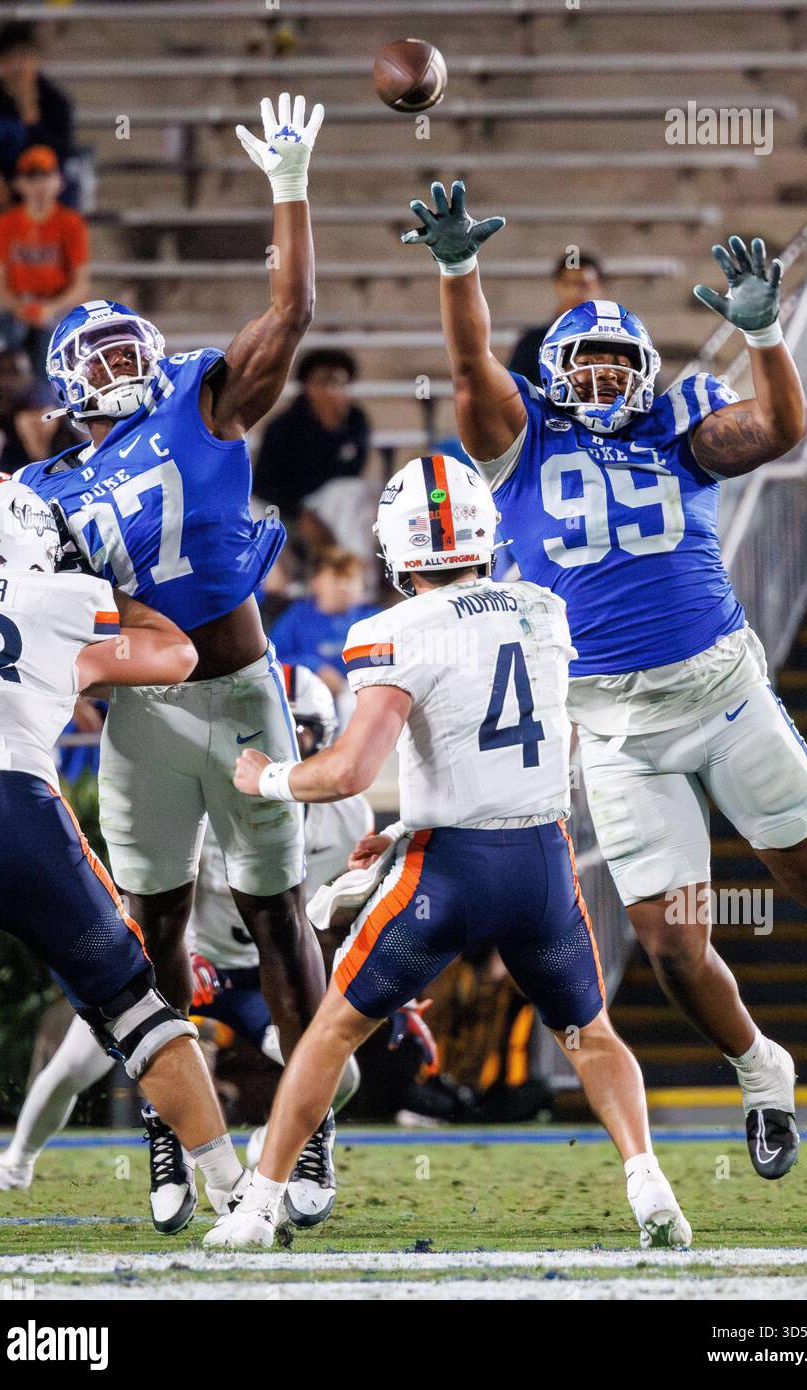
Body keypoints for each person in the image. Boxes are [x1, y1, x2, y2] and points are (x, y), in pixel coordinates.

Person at [399, 180, 807, 1179]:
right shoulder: (518, 441)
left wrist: (763, 336)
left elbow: (781, 431)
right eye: (585, 360)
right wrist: (457, 268)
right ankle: (761, 1069)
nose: (602, 376)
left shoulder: (682, 425)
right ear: (555, 370)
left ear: (644, 369)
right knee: (669, 951)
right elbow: (464, 363)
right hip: (615, 729)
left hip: (723, 698)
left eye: (619, 359)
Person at [204, 454, 691, 1251]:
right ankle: (651, 1189)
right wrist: (406, 825)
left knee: (328, 1031)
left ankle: (258, 1206)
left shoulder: (392, 630)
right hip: (538, 859)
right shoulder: (541, 607)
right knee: (589, 1032)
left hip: (451, 871)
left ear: (397, 548)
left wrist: (268, 777)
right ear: (483, 534)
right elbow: (528, 746)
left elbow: (348, 772)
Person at [17, 93, 333, 1226]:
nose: (112, 367)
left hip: (242, 692)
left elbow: (291, 310)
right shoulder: (41, 491)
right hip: (142, 723)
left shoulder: (202, 400)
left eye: (123, 348)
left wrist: (288, 190)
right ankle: (170, 1129)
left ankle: (307, 1133)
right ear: (59, 388)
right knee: (146, 935)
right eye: (89, 356)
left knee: (277, 914)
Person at [0, 665, 371, 1230]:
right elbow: (168, 903)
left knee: (338, 1067)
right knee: (82, 1057)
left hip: (253, 976)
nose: (294, 740)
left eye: (304, 730)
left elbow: (322, 922)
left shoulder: (349, 816)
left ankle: (285, 1147)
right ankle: (21, 1159)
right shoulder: (192, 780)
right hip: (191, 959)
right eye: (290, 726)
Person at [0, 471, 250, 1232]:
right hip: (22, 813)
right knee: (136, 1011)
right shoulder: (65, 601)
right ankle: (234, 1191)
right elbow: (178, 656)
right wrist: (107, 591)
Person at [0, 22, 75, 279]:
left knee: (67, 193)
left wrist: (31, 117)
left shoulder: (55, 102)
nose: (19, 67)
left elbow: (60, 155)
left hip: (37, 184)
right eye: (11, 58)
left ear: (38, 61)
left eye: (26, 57)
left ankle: (57, 275)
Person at [0, 145, 90, 378]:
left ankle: (49, 400)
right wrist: (21, 308)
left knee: (50, 341)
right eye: (32, 177)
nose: (39, 185)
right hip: (21, 306)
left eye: (46, 176)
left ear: (59, 181)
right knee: (11, 337)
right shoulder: (5, 223)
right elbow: (1, 285)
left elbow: (81, 284)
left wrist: (50, 308)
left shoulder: (70, 223)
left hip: (59, 306)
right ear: (19, 184)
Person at [251, 347, 370, 519]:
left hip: (328, 505)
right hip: (283, 507)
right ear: (307, 386)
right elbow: (264, 484)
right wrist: (298, 514)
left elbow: (350, 474)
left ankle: (346, 547)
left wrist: (333, 429)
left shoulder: (355, 421)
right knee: (250, 509)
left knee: (352, 492)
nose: (331, 389)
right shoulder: (283, 425)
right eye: (323, 382)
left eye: (338, 383)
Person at [269, 547, 379, 697]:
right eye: (336, 578)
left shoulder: (375, 619)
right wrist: (314, 668)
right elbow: (272, 661)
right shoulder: (297, 619)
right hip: (311, 701)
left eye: (351, 578)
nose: (344, 586)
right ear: (317, 582)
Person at [507, 253, 605, 387]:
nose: (576, 291)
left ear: (599, 288)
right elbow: (517, 391)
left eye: (584, 285)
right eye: (569, 284)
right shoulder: (532, 341)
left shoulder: (614, 341)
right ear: (557, 286)